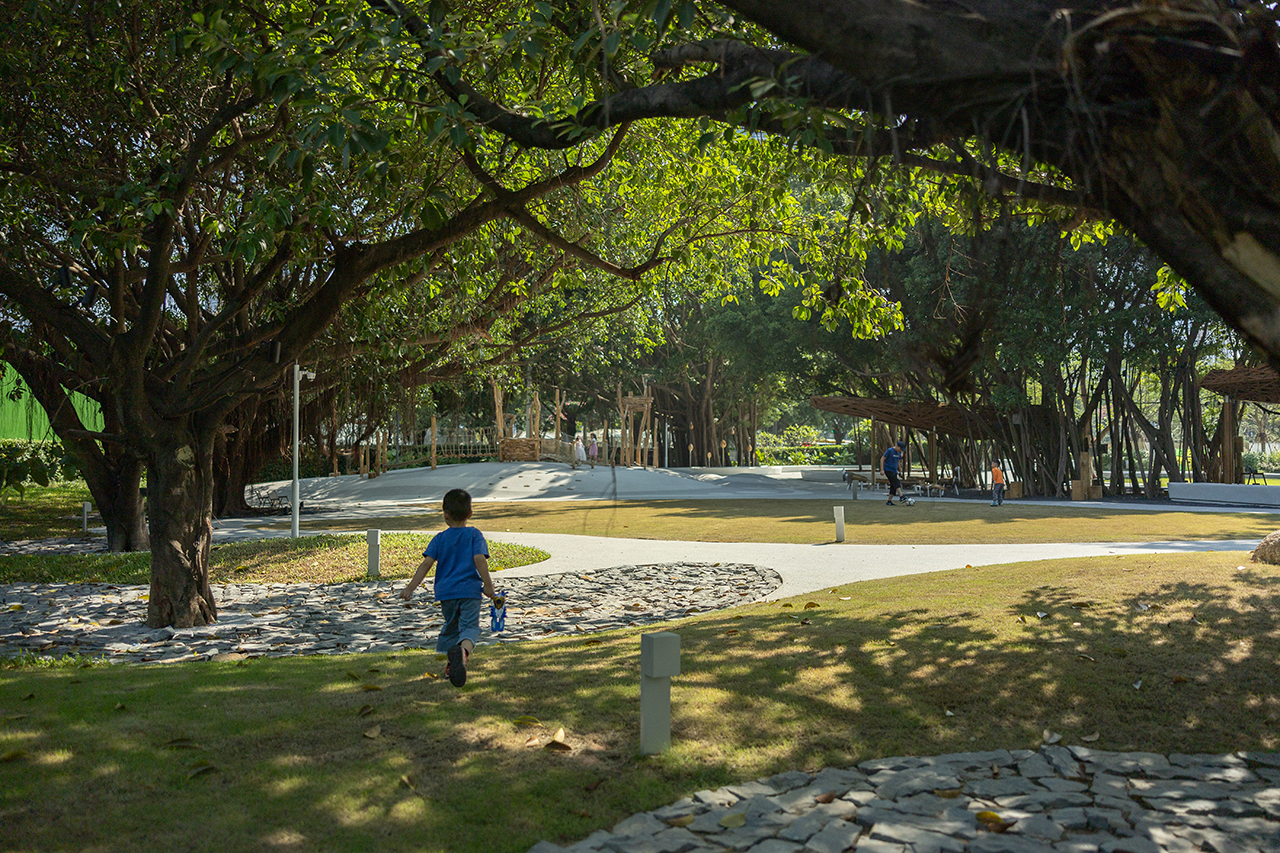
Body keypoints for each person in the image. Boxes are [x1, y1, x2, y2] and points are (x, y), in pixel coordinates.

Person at [399, 488, 499, 687]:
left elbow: (426, 564)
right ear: (470, 514)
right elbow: (479, 558)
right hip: (470, 591)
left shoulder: (440, 538)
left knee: (452, 629)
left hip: (446, 594)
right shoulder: (474, 535)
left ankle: (451, 665)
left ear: (445, 515)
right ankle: (463, 653)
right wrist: (488, 585)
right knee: (470, 628)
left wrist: (410, 587)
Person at [881, 439, 907, 505]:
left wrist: (900, 469)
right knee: (896, 481)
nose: (900, 450)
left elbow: (898, 461)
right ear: (897, 446)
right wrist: (882, 470)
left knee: (893, 486)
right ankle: (901, 496)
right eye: (900, 449)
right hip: (888, 469)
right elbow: (882, 459)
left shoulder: (898, 453)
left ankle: (889, 501)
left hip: (894, 470)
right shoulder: (890, 451)